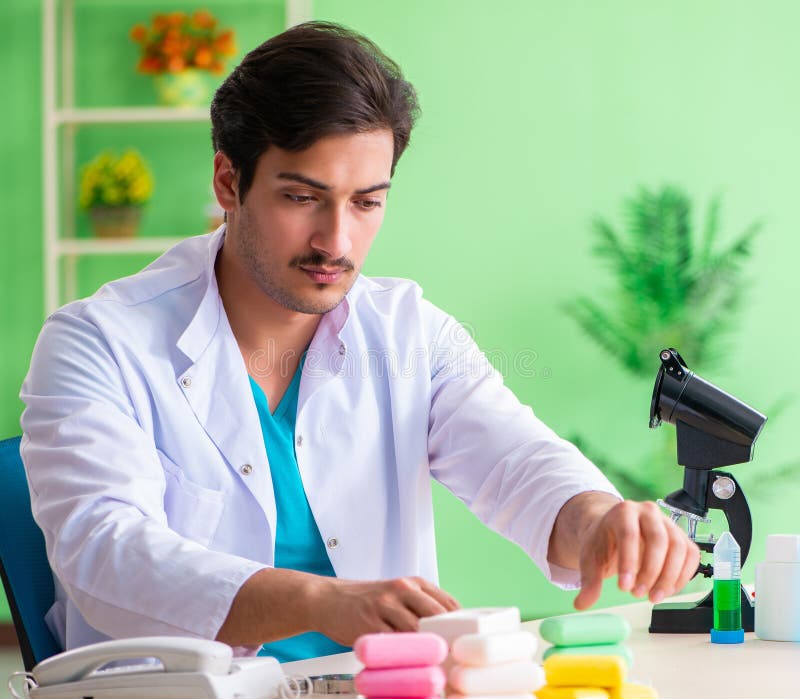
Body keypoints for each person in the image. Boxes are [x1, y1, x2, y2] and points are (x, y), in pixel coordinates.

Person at [20, 21, 699, 662]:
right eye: (301, 197)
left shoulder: (407, 330)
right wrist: (319, 602)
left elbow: (516, 460)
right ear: (230, 182)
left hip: (378, 683)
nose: (336, 242)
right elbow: (103, 552)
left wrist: (600, 519)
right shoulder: (97, 343)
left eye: (367, 202)